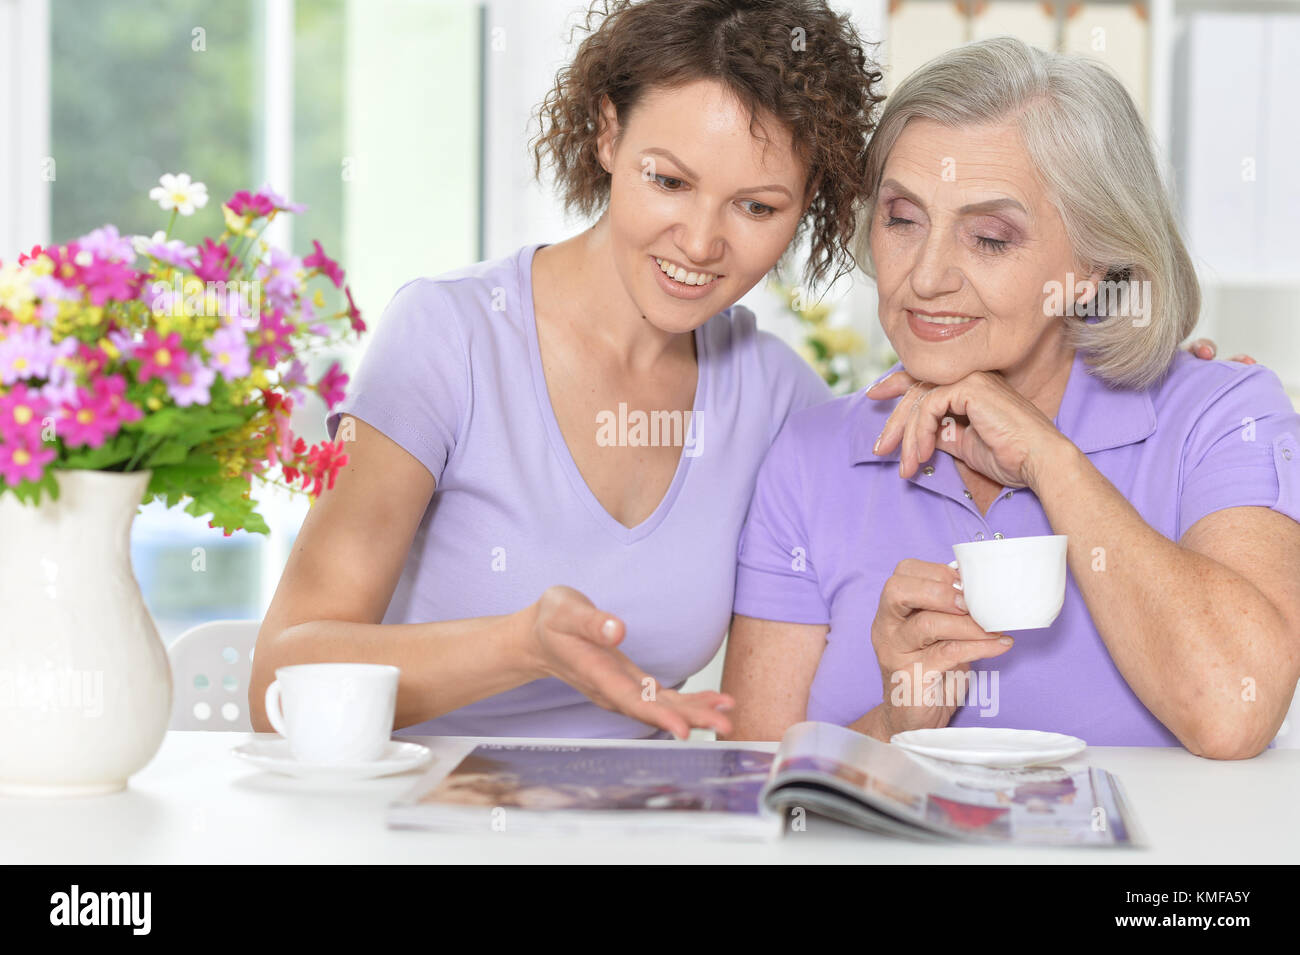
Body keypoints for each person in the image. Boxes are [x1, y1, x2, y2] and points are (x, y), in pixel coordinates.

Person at [248, 0, 884, 740]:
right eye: (670, 182)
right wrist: (521, 645)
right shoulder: (449, 338)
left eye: (755, 206)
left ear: (807, 204)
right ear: (608, 134)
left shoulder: (776, 398)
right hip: (418, 829)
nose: (703, 241)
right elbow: (277, 687)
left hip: (639, 832)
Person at [721, 36, 1300, 759]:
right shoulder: (812, 456)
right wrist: (894, 727)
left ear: (1093, 265)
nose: (926, 276)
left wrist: (1051, 460)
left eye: (990, 237)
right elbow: (751, 784)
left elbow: (1233, 711)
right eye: (902, 219)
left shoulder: (1224, 416)